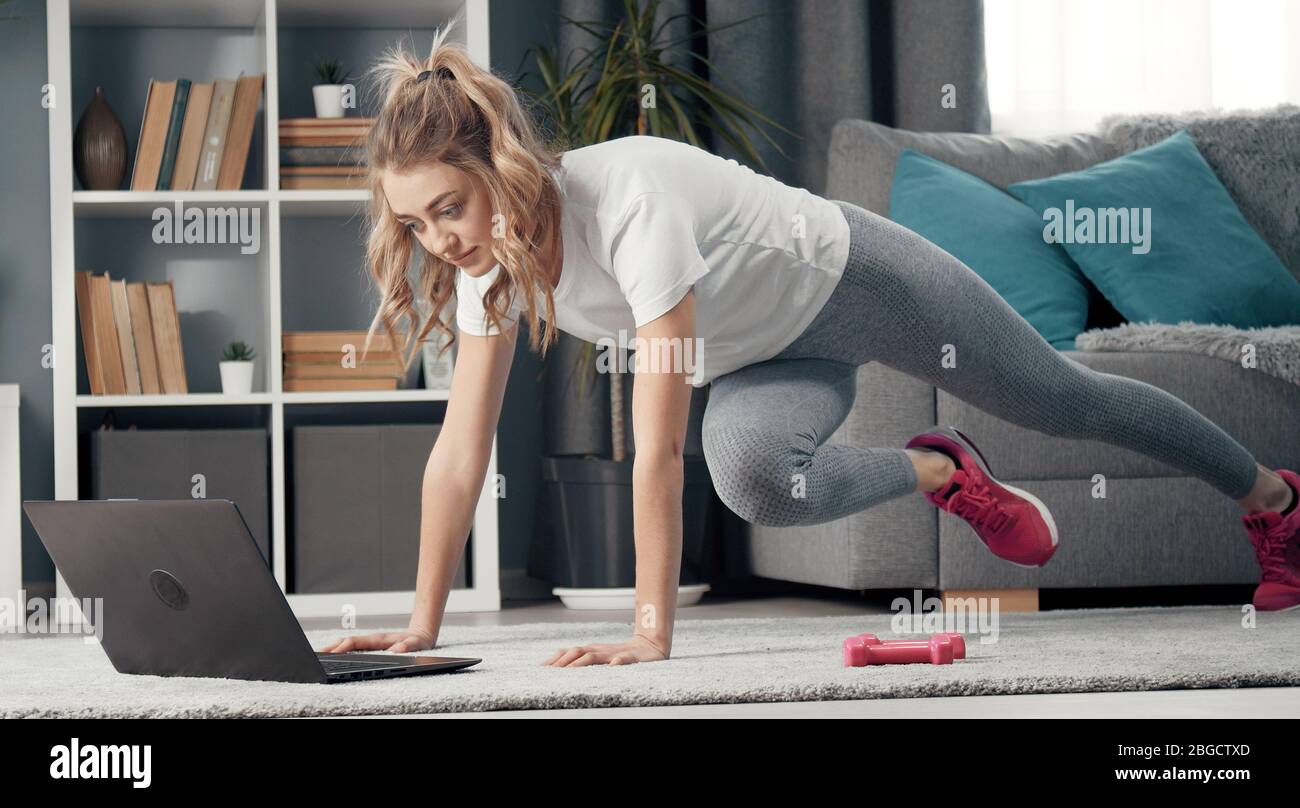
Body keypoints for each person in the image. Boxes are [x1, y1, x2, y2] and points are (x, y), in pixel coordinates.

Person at [320, 28, 1300, 667]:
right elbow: (460, 451)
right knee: (755, 480)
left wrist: (651, 631)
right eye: (414, 225)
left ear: (498, 165)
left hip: (858, 279)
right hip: (763, 356)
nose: (439, 239)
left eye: (448, 207)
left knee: (1064, 398)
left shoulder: (629, 204)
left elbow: (658, 447)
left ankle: (1273, 499)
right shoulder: (490, 269)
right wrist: (424, 624)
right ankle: (934, 469)